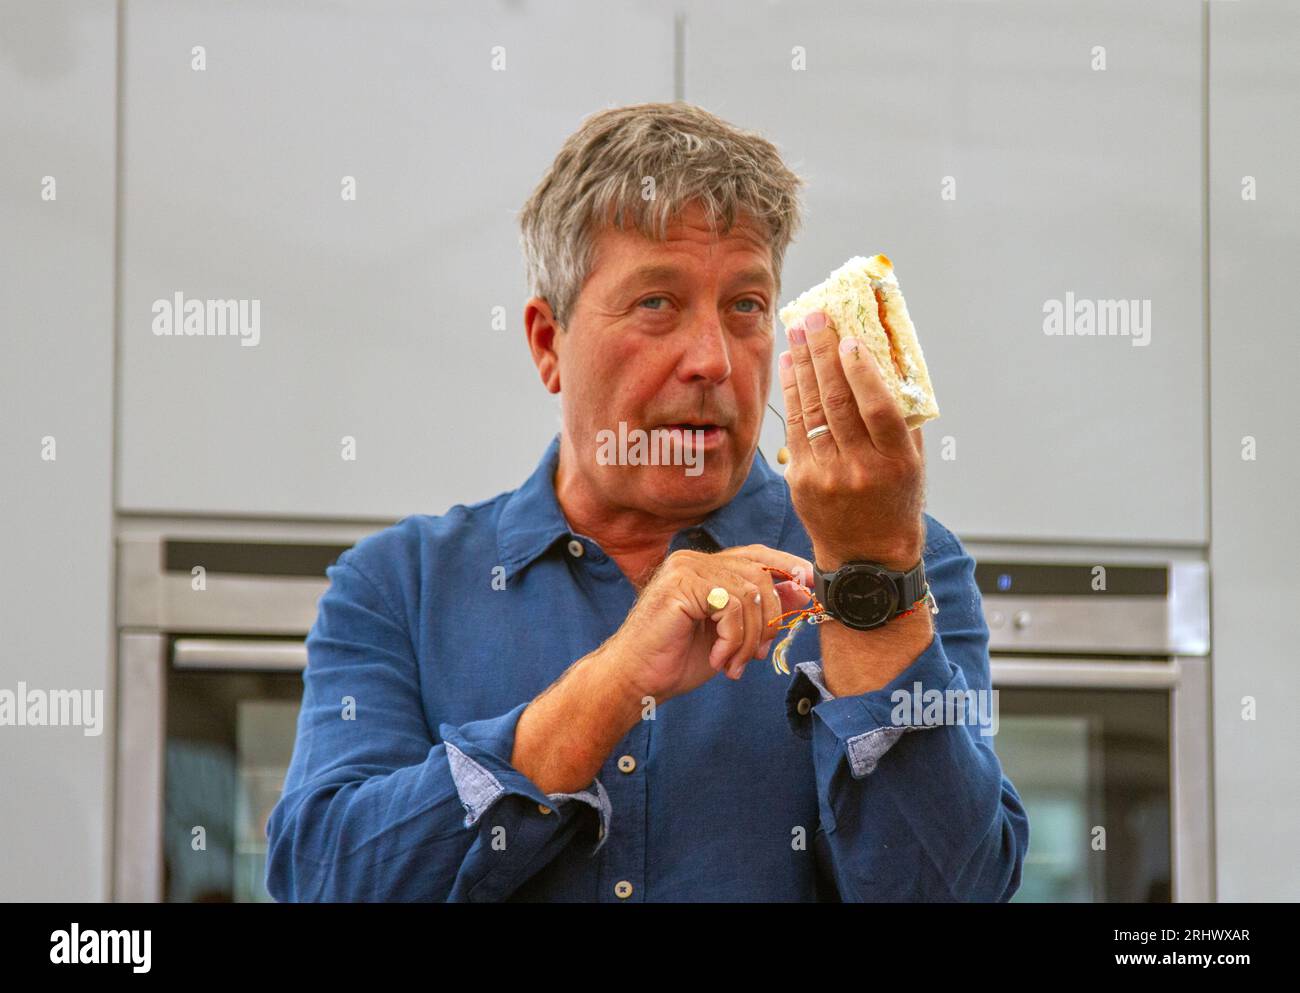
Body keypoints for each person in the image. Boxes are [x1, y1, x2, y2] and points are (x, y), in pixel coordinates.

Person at [265, 101, 1028, 902]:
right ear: (546, 342)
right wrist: (610, 685)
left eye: (746, 306)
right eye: (656, 303)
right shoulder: (398, 585)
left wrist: (871, 580)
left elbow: (949, 891)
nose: (713, 361)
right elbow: (325, 879)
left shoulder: (910, 565)